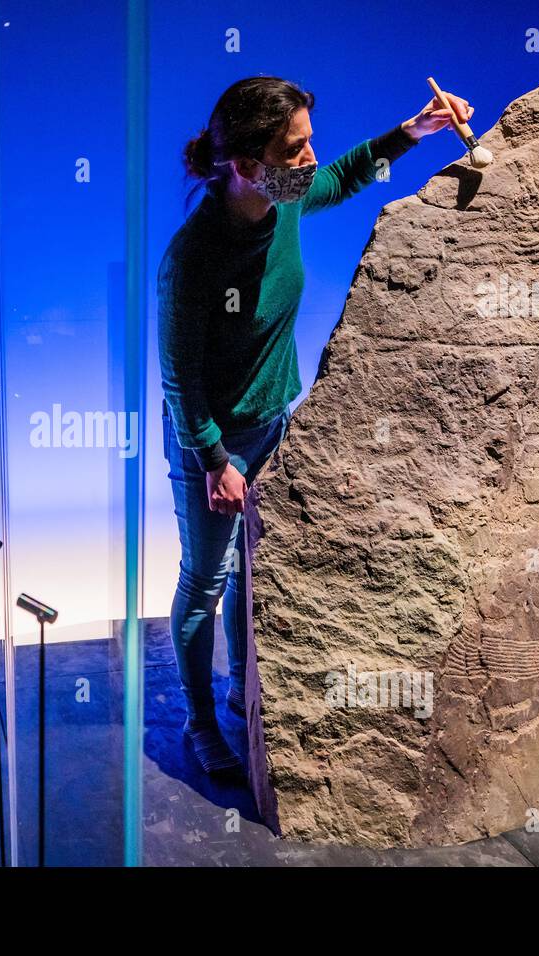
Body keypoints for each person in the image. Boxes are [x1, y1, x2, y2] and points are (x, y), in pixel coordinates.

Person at [158, 75, 473, 775]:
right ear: (246, 165)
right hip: (209, 438)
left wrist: (412, 131)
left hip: (272, 422)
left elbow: (343, 177)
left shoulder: (284, 197)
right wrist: (214, 461)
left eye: (306, 143)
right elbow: (179, 378)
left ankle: (245, 690)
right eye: (294, 148)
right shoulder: (194, 259)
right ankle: (201, 722)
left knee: (253, 570)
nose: (309, 158)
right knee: (207, 578)